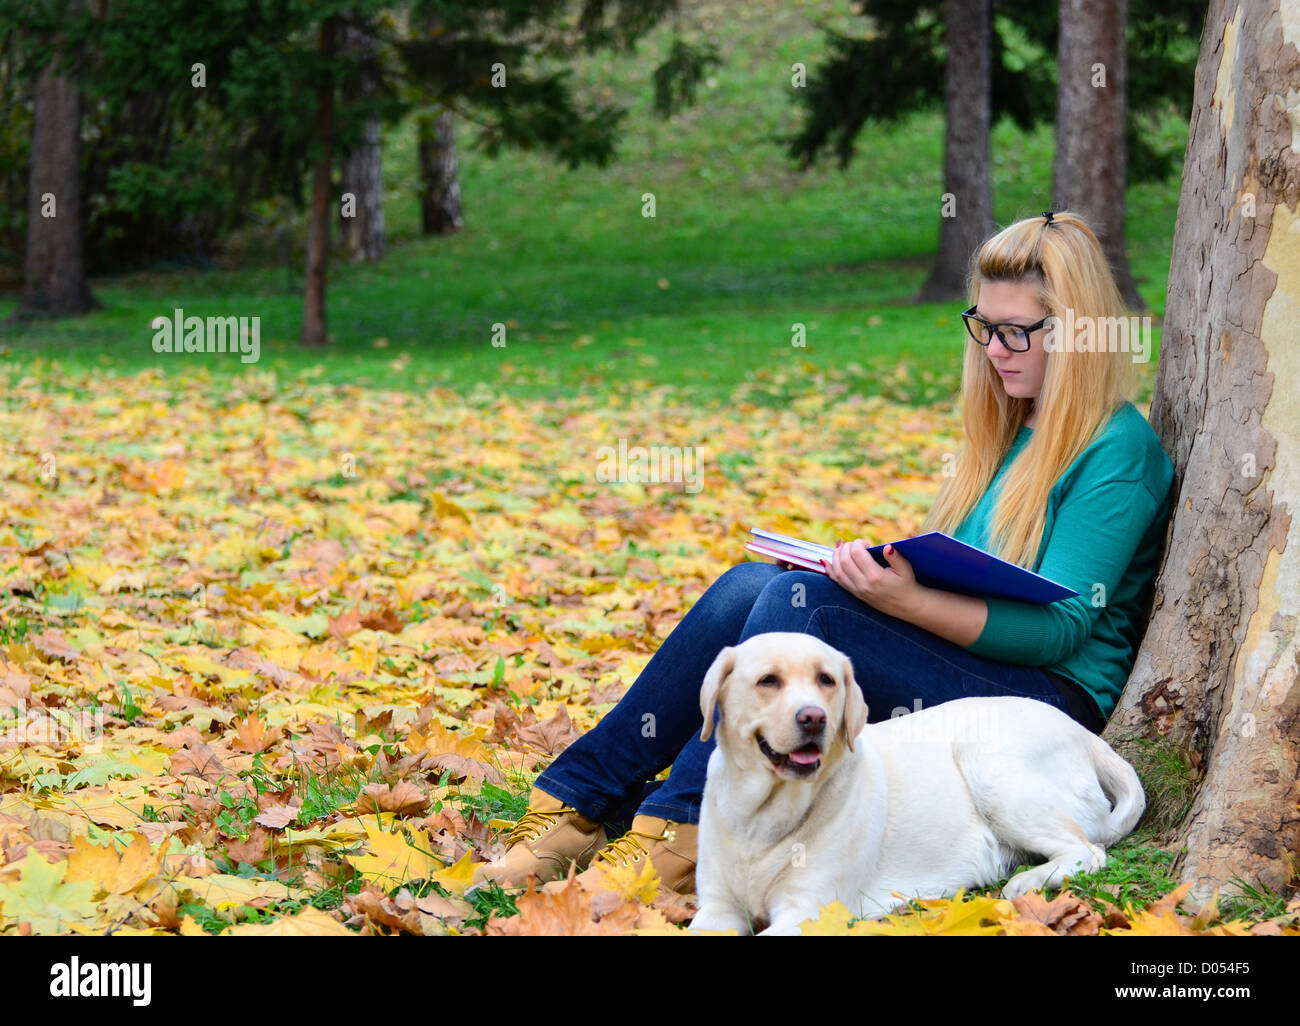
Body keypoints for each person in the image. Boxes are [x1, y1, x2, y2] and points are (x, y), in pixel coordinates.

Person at [472, 210, 1176, 897]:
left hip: (1043, 700)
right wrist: (873, 577)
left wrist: (900, 600)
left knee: (799, 608)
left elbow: (1061, 629)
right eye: (984, 328)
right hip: (978, 663)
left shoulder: (1118, 449)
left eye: (1017, 332)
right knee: (747, 589)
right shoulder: (1008, 428)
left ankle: (680, 834)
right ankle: (580, 805)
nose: (994, 351)